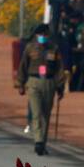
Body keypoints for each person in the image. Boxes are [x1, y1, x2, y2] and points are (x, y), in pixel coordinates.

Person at [15, 23, 66, 156]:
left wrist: (60, 87)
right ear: (36, 35)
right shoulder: (30, 48)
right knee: (36, 112)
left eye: (44, 35)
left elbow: (59, 69)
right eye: (40, 35)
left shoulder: (53, 49)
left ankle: (42, 141)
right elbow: (23, 66)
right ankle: (38, 141)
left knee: (46, 114)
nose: (42, 37)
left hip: (49, 82)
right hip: (33, 82)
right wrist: (20, 83)